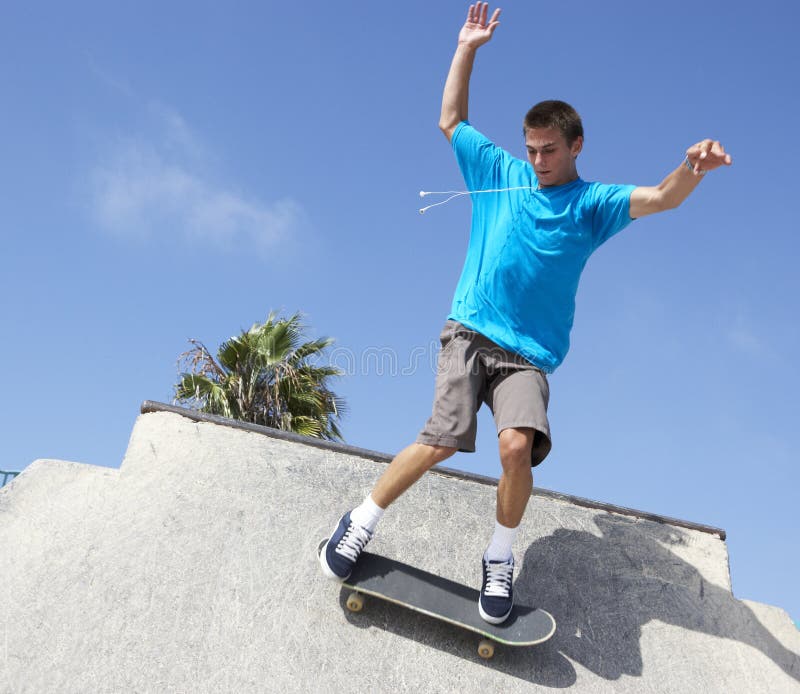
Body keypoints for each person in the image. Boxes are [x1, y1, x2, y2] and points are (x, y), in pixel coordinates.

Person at [320, 2, 732, 625]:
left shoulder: (593, 205)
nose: (539, 161)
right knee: (442, 442)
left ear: (576, 145)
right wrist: (467, 48)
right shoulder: (499, 172)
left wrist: (690, 170)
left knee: (516, 447)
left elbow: (663, 197)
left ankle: (499, 557)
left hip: (529, 354)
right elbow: (450, 119)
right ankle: (359, 521)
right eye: (532, 149)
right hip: (469, 330)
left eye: (549, 151)